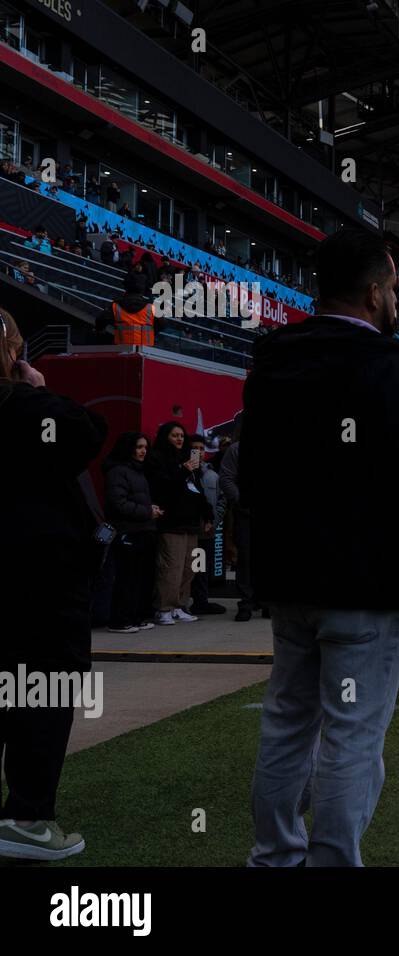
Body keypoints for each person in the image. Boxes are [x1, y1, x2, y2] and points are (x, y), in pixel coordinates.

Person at [240, 229, 399, 867]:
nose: (396, 298)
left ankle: (273, 858)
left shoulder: (272, 360)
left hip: (292, 583)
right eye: (395, 288)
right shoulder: (385, 365)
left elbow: (253, 476)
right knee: (350, 736)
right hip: (366, 589)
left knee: (286, 725)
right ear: (375, 293)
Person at [0, 307, 108, 860]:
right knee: (44, 695)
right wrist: (38, 388)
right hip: (39, 586)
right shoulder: (23, 406)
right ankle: (26, 817)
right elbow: (90, 432)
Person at [146, 421, 210, 624]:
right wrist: (183, 470)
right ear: (166, 437)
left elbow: (197, 489)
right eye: (175, 435)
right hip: (171, 522)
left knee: (189, 567)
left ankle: (180, 605)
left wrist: (207, 514)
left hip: (191, 522)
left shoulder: (188, 458)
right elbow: (161, 487)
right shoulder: (157, 458)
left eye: (182, 435)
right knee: (171, 567)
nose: (180, 439)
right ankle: (163, 607)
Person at [102, 432, 162, 633]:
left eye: (145, 447)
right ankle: (119, 620)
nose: (143, 451)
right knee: (126, 578)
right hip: (127, 532)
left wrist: (149, 509)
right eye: (139, 447)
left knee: (138, 579)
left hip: (141, 531)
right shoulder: (119, 471)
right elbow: (117, 503)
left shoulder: (137, 471)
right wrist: (147, 511)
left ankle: (134, 617)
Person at [219, 417, 262, 622]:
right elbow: (226, 478)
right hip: (245, 513)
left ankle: (265, 602)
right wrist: (240, 500)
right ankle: (246, 603)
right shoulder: (236, 450)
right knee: (245, 558)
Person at [187, 434, 225, 615]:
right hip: (188, 529)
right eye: (195, 449)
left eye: (202, 449)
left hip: (206, 530)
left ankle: (201, 601)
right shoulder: (185, 472)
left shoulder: (212, 475)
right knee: (189, 568)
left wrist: (213, 521)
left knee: (201, 567)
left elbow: (222, 501)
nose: (199, 452)